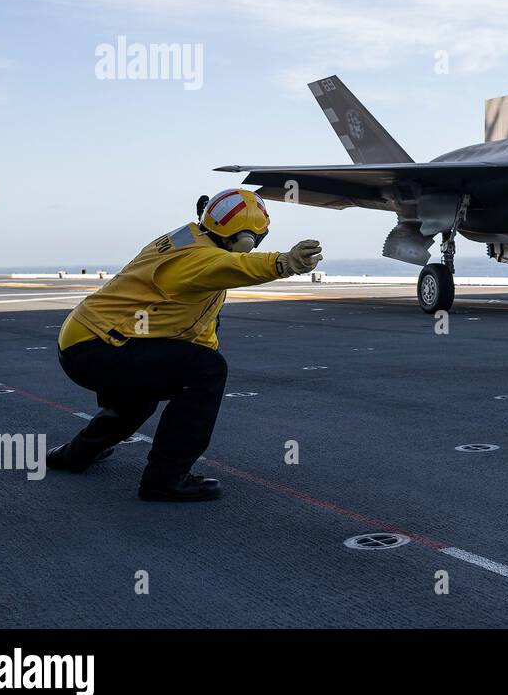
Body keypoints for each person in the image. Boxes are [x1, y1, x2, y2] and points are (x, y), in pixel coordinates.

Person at [49, 188, 323, 502]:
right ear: (246, 239)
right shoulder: (201, 259)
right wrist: (286, 262)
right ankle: (165, 479)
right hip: (99, 346)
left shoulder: (193, 238)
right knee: (206, 371)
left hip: (90, 339)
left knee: (146, 391)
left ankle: (76, 455)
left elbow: (201, 320)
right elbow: (236, 267)